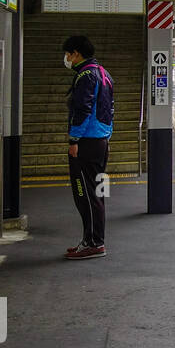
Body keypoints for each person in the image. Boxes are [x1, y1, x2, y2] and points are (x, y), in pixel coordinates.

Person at [63, 35, 113, 260]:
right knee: (97, 193)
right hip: (100, 140)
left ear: (76, 53)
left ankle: (94, 243)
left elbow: (82, 109)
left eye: (67, 54)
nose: (66, 58)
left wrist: (74, 140)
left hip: (87, 142)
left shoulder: (86, 76)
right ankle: (90, 239)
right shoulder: (104, 73)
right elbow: (110, 109)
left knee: (85, 193)